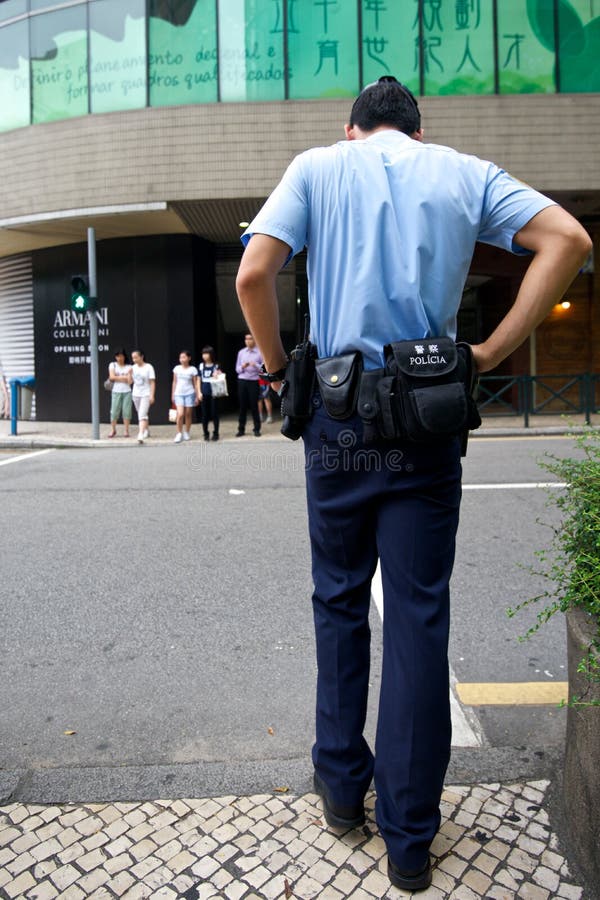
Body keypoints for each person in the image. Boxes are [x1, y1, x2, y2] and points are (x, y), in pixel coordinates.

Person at [235, 77, 591, 891]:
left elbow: (254, 275)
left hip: (336, 418)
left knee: (338, 601)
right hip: (427, 420)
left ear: (352, 128)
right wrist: (493, 352)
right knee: (420, 619)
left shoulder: (320, 166)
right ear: (419, 131)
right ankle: (410, 840)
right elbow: (567, 238)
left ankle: (339, 792)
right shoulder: (462, 171)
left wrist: (285, 371)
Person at [235, 333, 263, 437]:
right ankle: (241, 429)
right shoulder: (241, 352)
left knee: (254, 406)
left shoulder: (259, 353)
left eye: (250, 339)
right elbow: (237, 370)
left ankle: (257, 429)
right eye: (246, 339)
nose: (248, 341)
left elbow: (263, 368)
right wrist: (243, 366)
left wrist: (255, 365)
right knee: (242, 406)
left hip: (254, 381)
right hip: (242, 381)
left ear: (254, 340)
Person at [171, 350, 201, 443]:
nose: (182, 359)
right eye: (180, 357)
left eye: (184, 357)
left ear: (189, 358)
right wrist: (173, 394)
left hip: (190, 393)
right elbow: (174, 381)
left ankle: (187, 432)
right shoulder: (176, 368)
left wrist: (196, 396)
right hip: (179, 394)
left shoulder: (193, 369)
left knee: (188, 414)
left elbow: (195, 383)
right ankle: (179, 433)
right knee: (180, 414)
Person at [130, 349, 156, 444]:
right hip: (136, 394)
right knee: (141, 413)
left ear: (141, 357)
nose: (134, 359)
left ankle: (140, 434)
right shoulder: (133, 368)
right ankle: (146, 430)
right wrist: (129, 374)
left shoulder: (149, 367)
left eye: (136, 357)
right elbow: (130, 382)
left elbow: (152, 382)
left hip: (146, 393)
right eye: (133, 358)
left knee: (142, 415)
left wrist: (152, 395)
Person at [107, 347, 133, 438]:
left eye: (121, 356)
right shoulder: (112, 365)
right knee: (114, 412)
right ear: (115, 357)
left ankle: (126, 430)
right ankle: (113, 430)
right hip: (116, 391)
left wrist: (120, 377)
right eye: (118, 356)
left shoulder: (129, 367)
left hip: (127, 391)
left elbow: (130, 381)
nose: (120, 358)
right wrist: (124, 377)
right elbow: (112, 377)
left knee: (127, 412)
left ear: (125, 356)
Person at [198, 346, 221, 441]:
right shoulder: (201, 366)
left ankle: (216, 433)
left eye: (206, 353)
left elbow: (221, 378)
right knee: (205, 414)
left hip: (214, 392)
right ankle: (205, 433)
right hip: (204, 392)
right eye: (203, 353)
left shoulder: (216, 366)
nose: (205, 356)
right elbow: (198, 380)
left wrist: (218, 374)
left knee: (214, 413)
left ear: (211, 354)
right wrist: (199, 392)